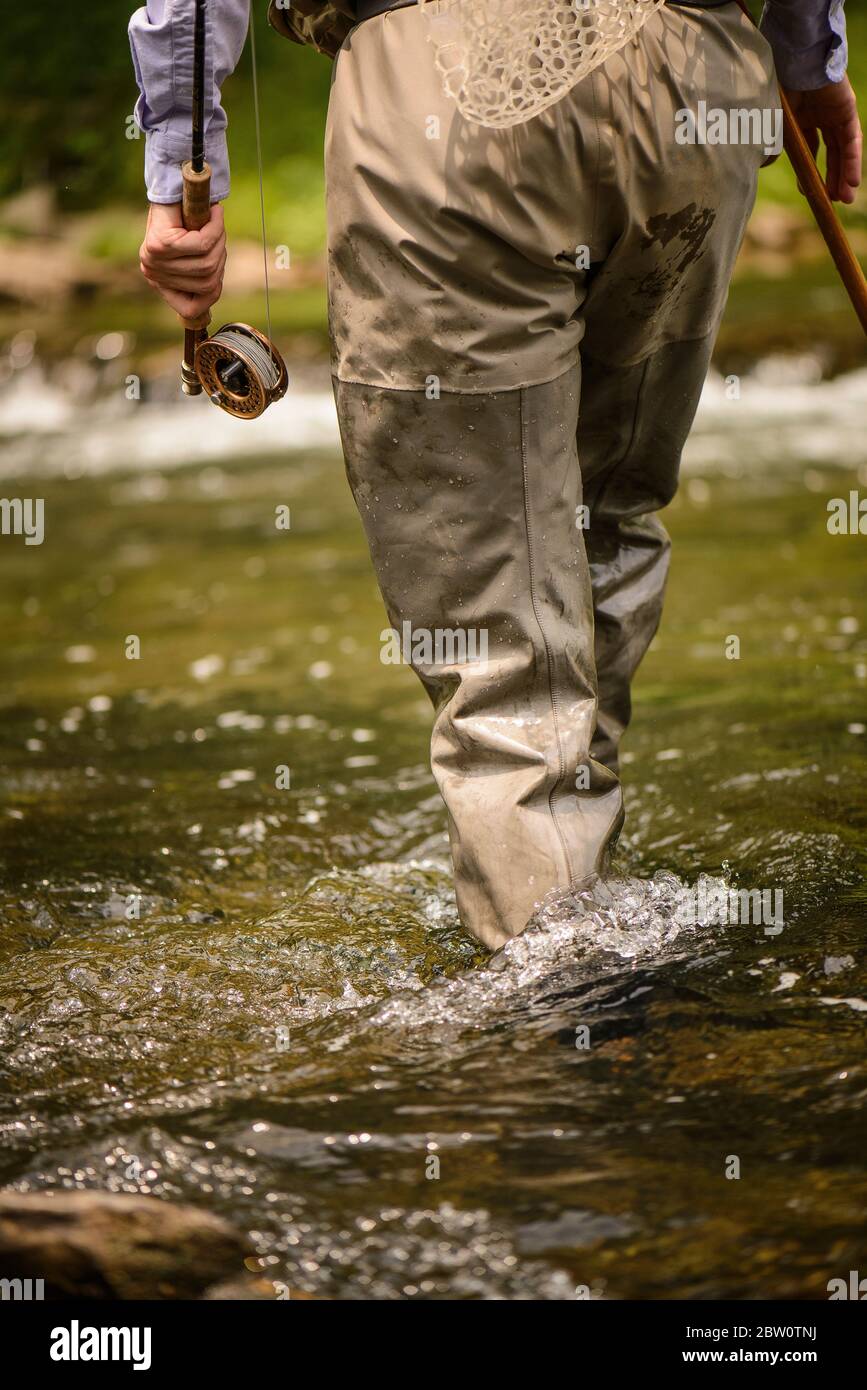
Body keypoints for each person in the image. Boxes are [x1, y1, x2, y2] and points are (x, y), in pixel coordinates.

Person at [131, 1, 861, 951]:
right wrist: (808, 53)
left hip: (454, 87)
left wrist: (181, 159)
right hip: (696, 82)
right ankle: (601, 946)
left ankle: (558, 1029)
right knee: (607, 524)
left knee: (497, 630)